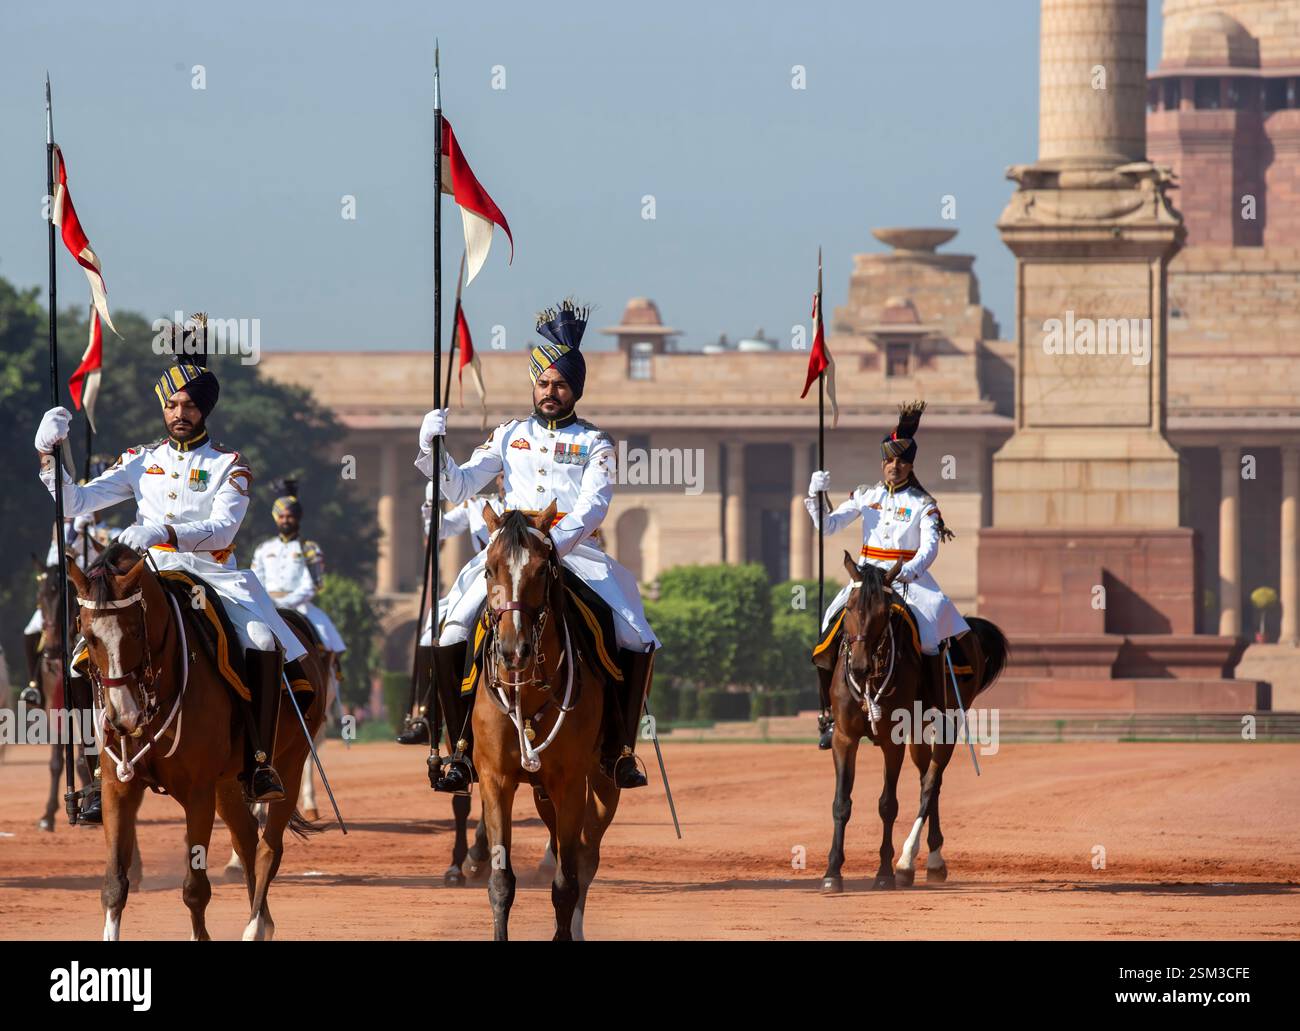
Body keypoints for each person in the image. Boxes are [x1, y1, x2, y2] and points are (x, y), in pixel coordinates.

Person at [33, 316, 311, 802]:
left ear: (204, 410)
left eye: (188, 405)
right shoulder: (140, 458)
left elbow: (223, 529)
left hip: (211, 574)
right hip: (144, 573)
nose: (178, 412)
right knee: (83, 653)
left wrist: (162, 530)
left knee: (264, 639)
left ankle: (260, 764)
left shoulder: (230, 464)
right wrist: (47, 456)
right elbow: (75, 503)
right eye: (171, 403)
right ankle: (94, 772)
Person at [416, 299, 658, 791]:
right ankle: (457, 746)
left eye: (561, 384)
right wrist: (432, 449)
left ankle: (620, 748)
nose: (551, 392)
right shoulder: (509, 434)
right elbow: (459, 487)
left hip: (576, 554)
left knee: (635, 634)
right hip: (509, 559)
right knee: (448, 630)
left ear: (575, 390)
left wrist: (552, 543)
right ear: (534, 385)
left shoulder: (597, 443)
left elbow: (594, 506)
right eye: (544, 383)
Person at [805, 401, 970, 746]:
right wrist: (817, 494)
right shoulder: (867, 496)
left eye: (902, 461)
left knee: (932, 632)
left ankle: (937, 711)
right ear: (883, 464)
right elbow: (829, 526)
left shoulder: (924, 504)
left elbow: (929, 548)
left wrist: (908, 571)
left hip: (907, 578)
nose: (895, 466)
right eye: (890, 461)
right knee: (827, 630)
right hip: (865, 579)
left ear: (910, 466)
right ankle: (827, 716)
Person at [396, 475, 503, 746]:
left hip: (520, 577)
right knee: (432, 630)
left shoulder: (529, 502)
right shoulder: (478, 504)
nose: (503, 478)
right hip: (485, 575)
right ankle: (425, 716)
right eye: (500, 473)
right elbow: (439, 531)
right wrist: (432, 504)